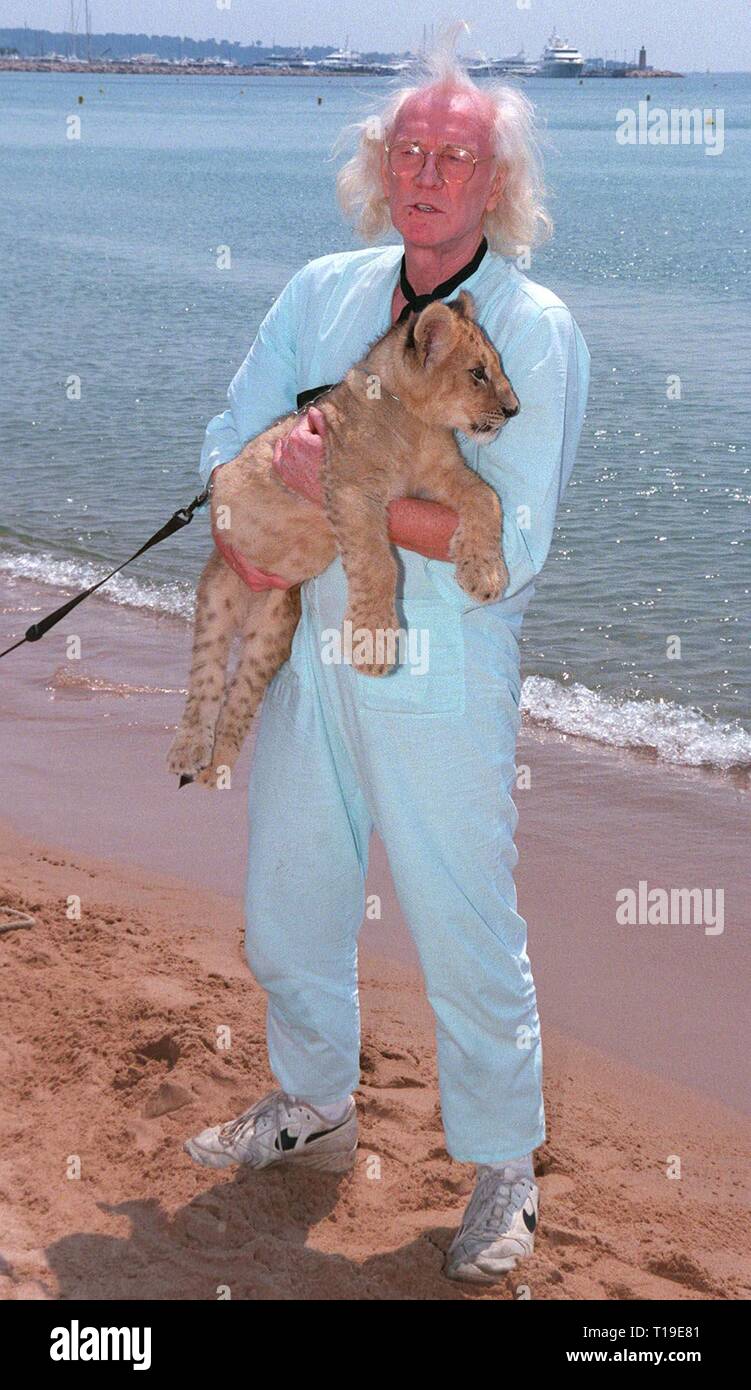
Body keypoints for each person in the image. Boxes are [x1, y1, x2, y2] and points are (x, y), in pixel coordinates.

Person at [184, 48, 590, 1284]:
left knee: (464, 924)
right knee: (287, 903)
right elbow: (224, 438)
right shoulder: (321, 289)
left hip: (442, 671)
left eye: (454, 156)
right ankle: (312, 1106)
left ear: (494, 181)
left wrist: (343, 477)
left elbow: (508, 547)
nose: (426, 174)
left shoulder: (533, 329)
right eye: (408, 151)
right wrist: (279, 461)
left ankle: (503, 1168)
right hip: (315, 643)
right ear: (378, 166)